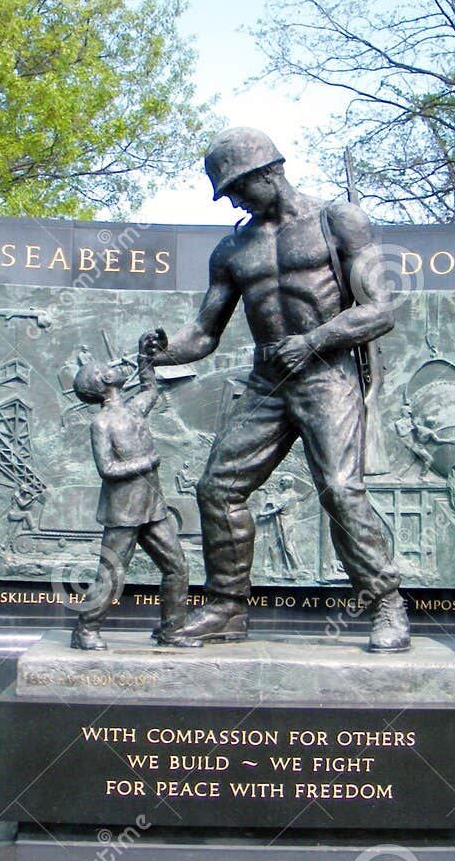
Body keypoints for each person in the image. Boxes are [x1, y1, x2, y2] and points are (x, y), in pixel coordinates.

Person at [151, 128, 410, 652]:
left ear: (271, 171)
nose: (236, 200)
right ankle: (227, 607)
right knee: (218, 488)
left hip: (327, 375)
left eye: (240, 188)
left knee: (340, 489)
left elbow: (382, 309)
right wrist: (164, 350)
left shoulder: (339, 221)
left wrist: (315, 339)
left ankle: (385, 601)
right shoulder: (232, 249)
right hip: (269, 382)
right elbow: (204, 333)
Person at [70, 332, 189, 650]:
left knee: (177, 567)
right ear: (102, 380)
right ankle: (86, 630)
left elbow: (150, 387)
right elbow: (106, 469)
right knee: (111, 574)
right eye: (105, 367)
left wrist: (145, 357)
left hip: (152, 506)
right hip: (123, 510)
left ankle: (172, 631)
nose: (112, 366)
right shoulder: (102, 424)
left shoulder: (134, 408)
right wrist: (145, 462)